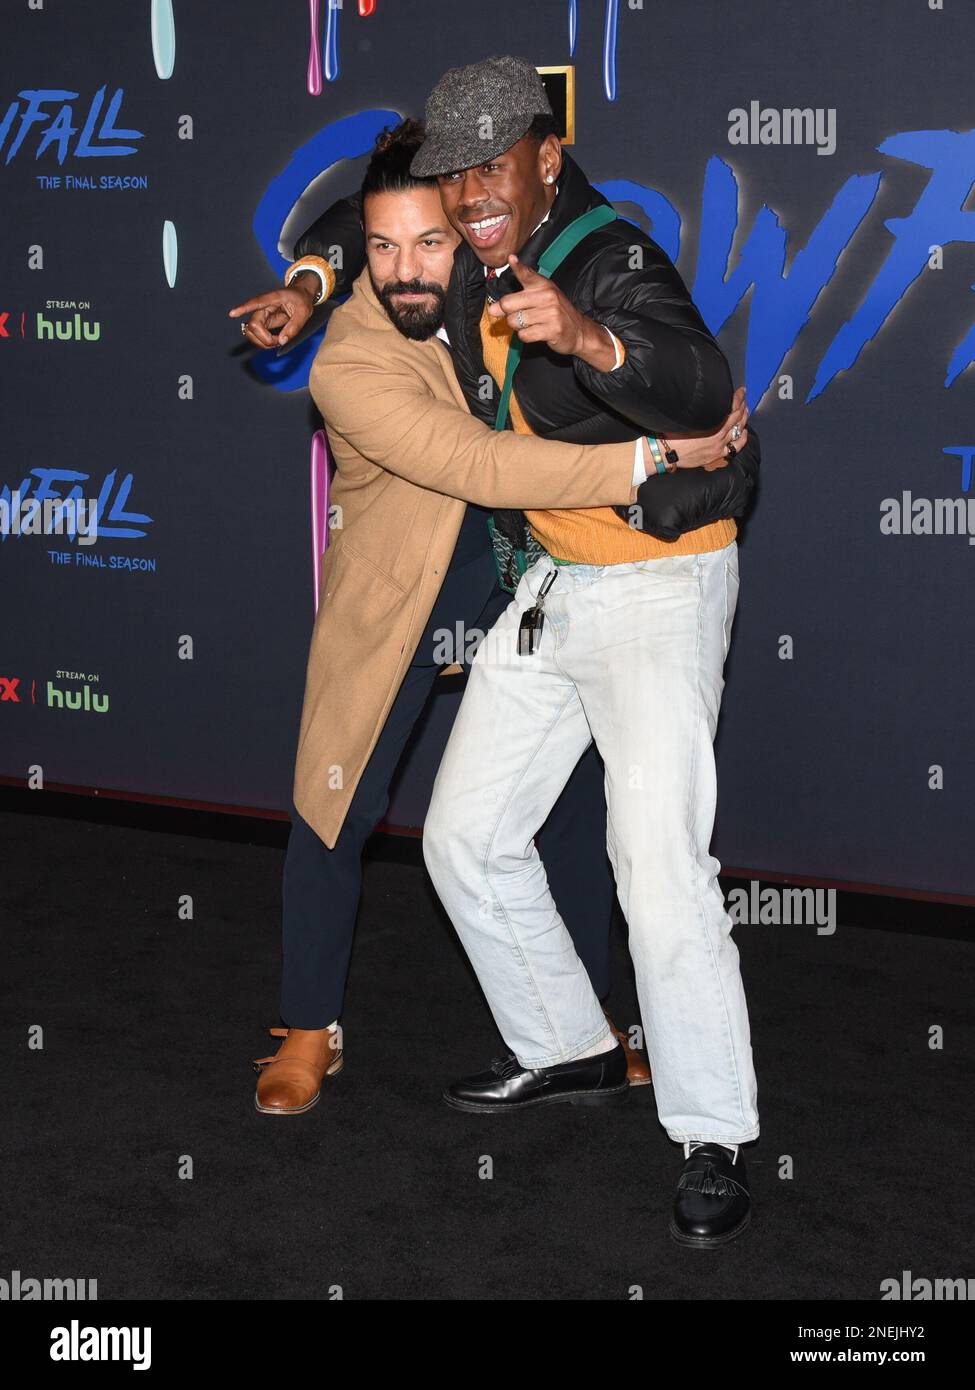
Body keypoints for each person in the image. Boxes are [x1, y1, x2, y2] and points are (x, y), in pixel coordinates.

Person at [236, 120, 745, 1117]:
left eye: (429, 240)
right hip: (409, 573)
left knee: (569, 794)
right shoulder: (354, 357)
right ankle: (309, 1023)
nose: (405, 266)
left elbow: (377, 212)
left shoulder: (506, 274)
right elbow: (480, 463)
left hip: (531, 556)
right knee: (339, 780)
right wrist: (310, 286)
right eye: (381, 250)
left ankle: (593, 1027)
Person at [405, 56, 758, 1249]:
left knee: (653, 860)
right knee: (464, 833)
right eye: (451, 172)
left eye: (488, 162)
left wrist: (594, 340)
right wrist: (308, 280)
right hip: (562, 581)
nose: (467, 192)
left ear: (544, 157)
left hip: (661, 580)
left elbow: (700, 380)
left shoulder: (608, 252)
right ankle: (568, 1042)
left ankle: (713, 1128)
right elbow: (350, 220)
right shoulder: (468, 252)